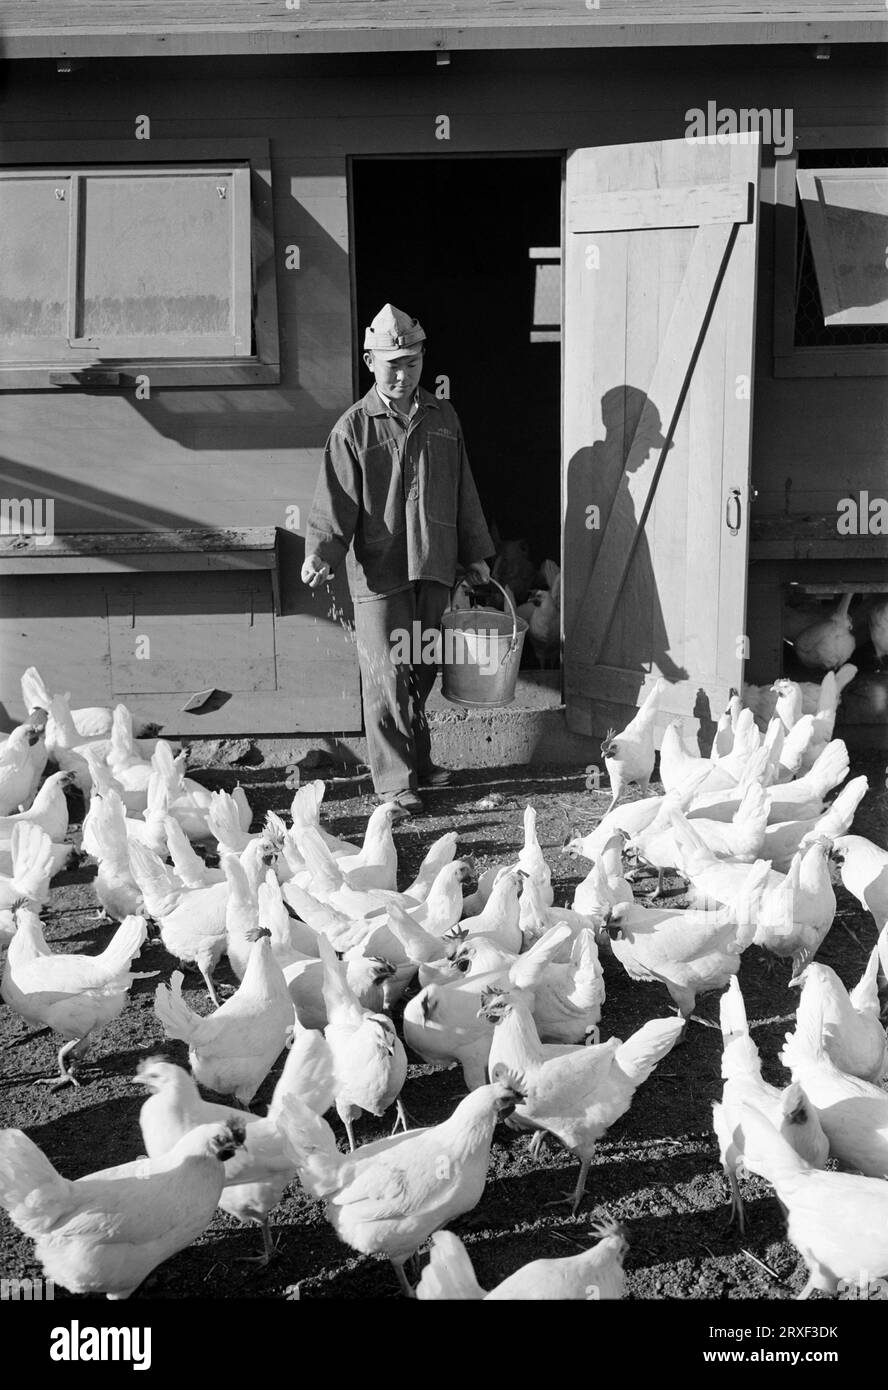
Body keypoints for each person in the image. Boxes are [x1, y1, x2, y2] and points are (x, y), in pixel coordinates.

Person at [301, 303, 495, 818]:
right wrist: (322, 552)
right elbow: (334, 499)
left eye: (411, 361)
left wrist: (474, 554)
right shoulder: (353, 430)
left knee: (424, 667)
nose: (403, 372)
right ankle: (392, 781)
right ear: (370, 360)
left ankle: (419, 761)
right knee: (386, 674)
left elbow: (463, 489)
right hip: (380, 571)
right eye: (392, 362)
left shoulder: (443, 417)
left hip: (433, 563)